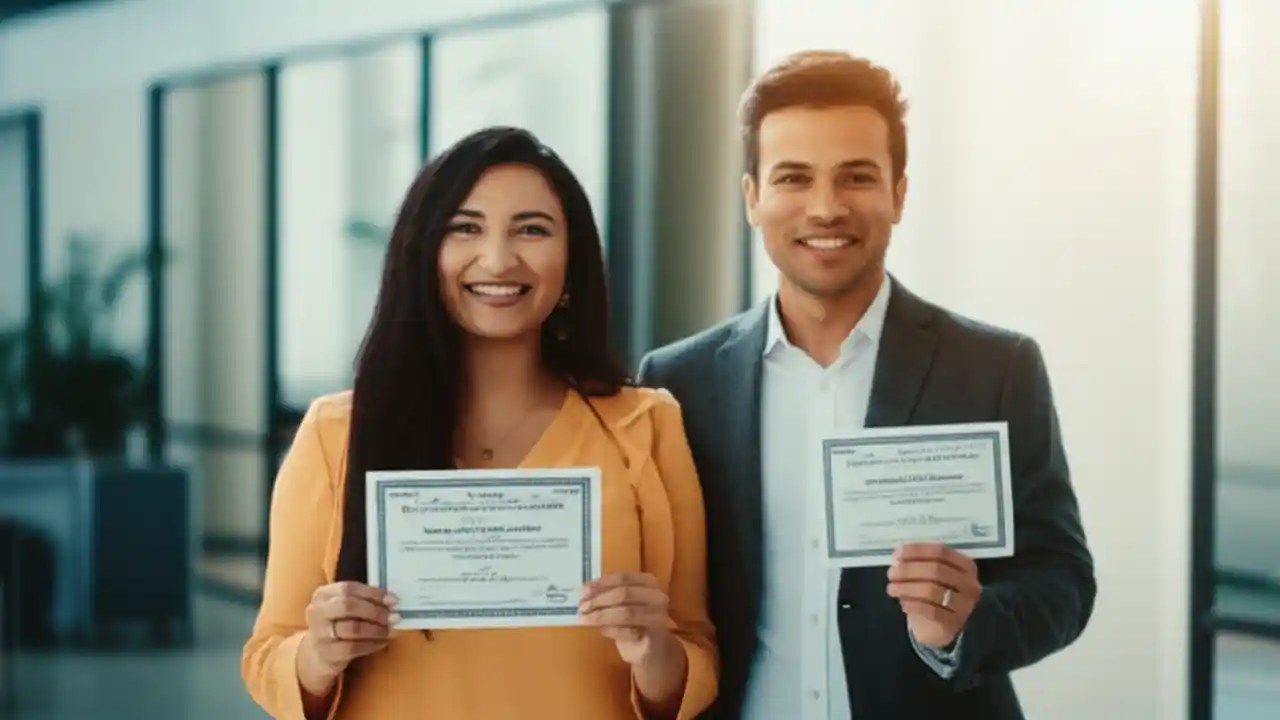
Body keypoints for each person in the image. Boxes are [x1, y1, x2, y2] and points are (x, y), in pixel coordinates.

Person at [637, 51, 1095, 719]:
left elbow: (1062, 581)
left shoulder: (995, 368)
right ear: (752, 198)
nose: (826, 208)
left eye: (856, 177)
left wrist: (963, 624)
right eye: (794, 178)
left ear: (898, 194)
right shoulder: (677, 383)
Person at [243, 127, 717, 720]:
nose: (497, 259)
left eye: (532, 229)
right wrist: (318, 653)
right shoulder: (334, 432)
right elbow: (267, 658)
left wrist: (656, 653)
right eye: (465, 228)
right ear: (424, 254)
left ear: (571, 263)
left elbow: (698, 658)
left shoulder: (647, 426)